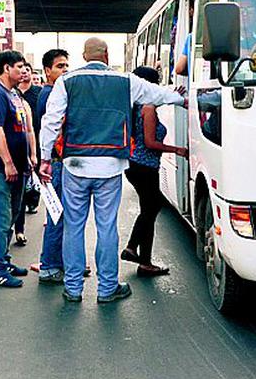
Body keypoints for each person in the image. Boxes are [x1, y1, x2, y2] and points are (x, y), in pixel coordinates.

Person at [39, 37, 185, 303]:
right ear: (106, 55)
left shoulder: (66, 82)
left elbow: (51, 122)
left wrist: (45, 158)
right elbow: (159, 94)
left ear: (84, 56)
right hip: (110, 165)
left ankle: (73, 288)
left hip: (76, 165)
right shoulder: (125, 81)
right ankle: (107, 288)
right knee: (107, 227)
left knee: (74, 226)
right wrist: (181, 97)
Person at [121, 66, 187, 277]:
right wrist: (177, 149)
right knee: (151, 208)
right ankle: (134, 250)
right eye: (155, 83)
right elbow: (150, 142)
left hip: (137, 165)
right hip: (144, 166)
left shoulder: (135, 105)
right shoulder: (147, 108)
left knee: (149, 209)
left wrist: (173, 96)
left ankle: (141, 258)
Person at [0, 50, 36, 288]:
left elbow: (25, 128)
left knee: (11, 215)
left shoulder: (13, 94)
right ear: (6, 68)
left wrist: (29, 156)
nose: (24, 71)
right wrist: (8, 162)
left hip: (18, 167)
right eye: (19, 67)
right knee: (0, 218)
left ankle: (4, 259)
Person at [35, 48, 71, 284]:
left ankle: (55, 262)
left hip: (55, 162)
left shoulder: (52, 91)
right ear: (47, 70)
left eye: (67, 65)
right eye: (60, 66)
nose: (65, 70)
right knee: (58, 215)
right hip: (55, 163)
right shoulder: (51, 94)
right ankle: (49, 265)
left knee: (59, 215)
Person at [17, 64, 43, 233]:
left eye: (28, 69)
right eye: (22, 69)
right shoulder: (14, 93)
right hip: (19, 141)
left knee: (36, 173)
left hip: (36, 137)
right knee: (21, 180)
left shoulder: (39, 93)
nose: (25, 72)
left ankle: (33, 199)